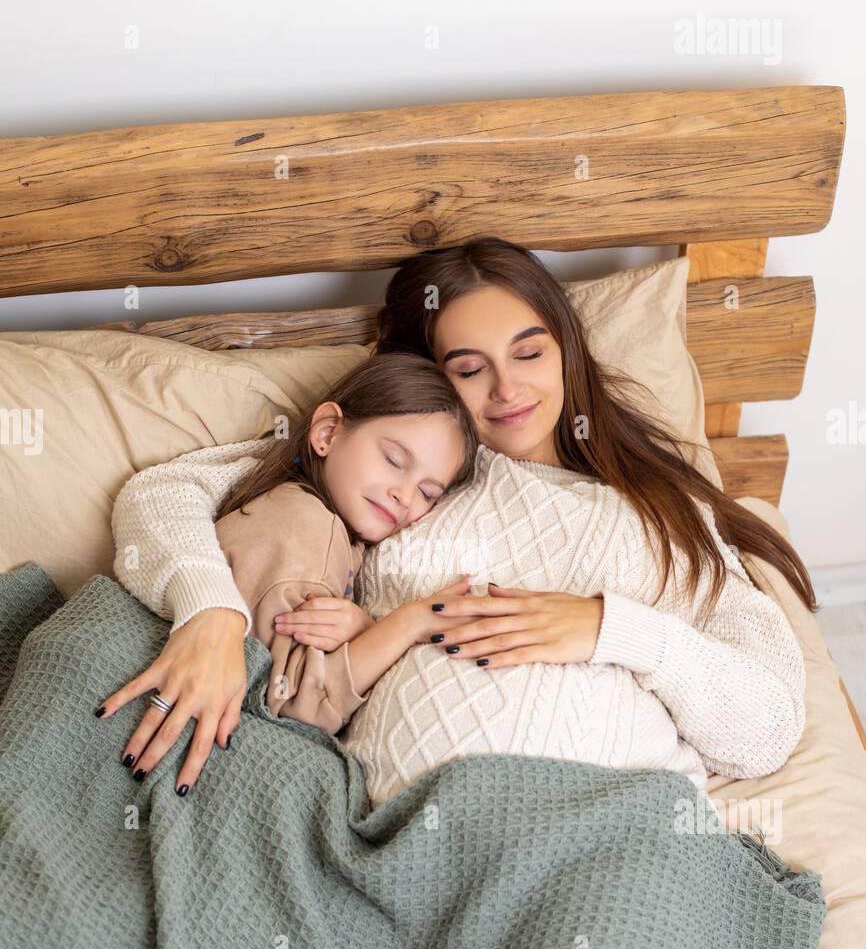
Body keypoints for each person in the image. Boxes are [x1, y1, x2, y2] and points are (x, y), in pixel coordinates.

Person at [98, 238, 812, 802]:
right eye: (469, 369)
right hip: (395, 837)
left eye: (529, 353)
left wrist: (610, 629)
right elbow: (163, 494)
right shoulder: (399, 471)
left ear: (566, 348)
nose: (508, 388)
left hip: (607, 824)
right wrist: (211, 614)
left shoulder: (662, 514)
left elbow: (765, 730)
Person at [98, 351, 479, 791]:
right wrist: (407, 623)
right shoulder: (311, 534)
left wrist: (361, 627)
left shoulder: (298, 504)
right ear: (328, 432)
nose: (404, 494)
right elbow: (299, 707)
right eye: (394, 460)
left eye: (428, 492)